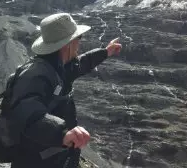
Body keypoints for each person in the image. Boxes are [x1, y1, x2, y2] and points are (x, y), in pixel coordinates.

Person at [9, 12, 122, 168]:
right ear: (67, 44)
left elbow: (81, 64)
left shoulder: (57, 65)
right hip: (37, 160)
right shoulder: (35, 75)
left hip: (51, 154)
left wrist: (106, 52)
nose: (80, 43)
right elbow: (27, 114)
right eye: (78, 38)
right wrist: (62, 134)